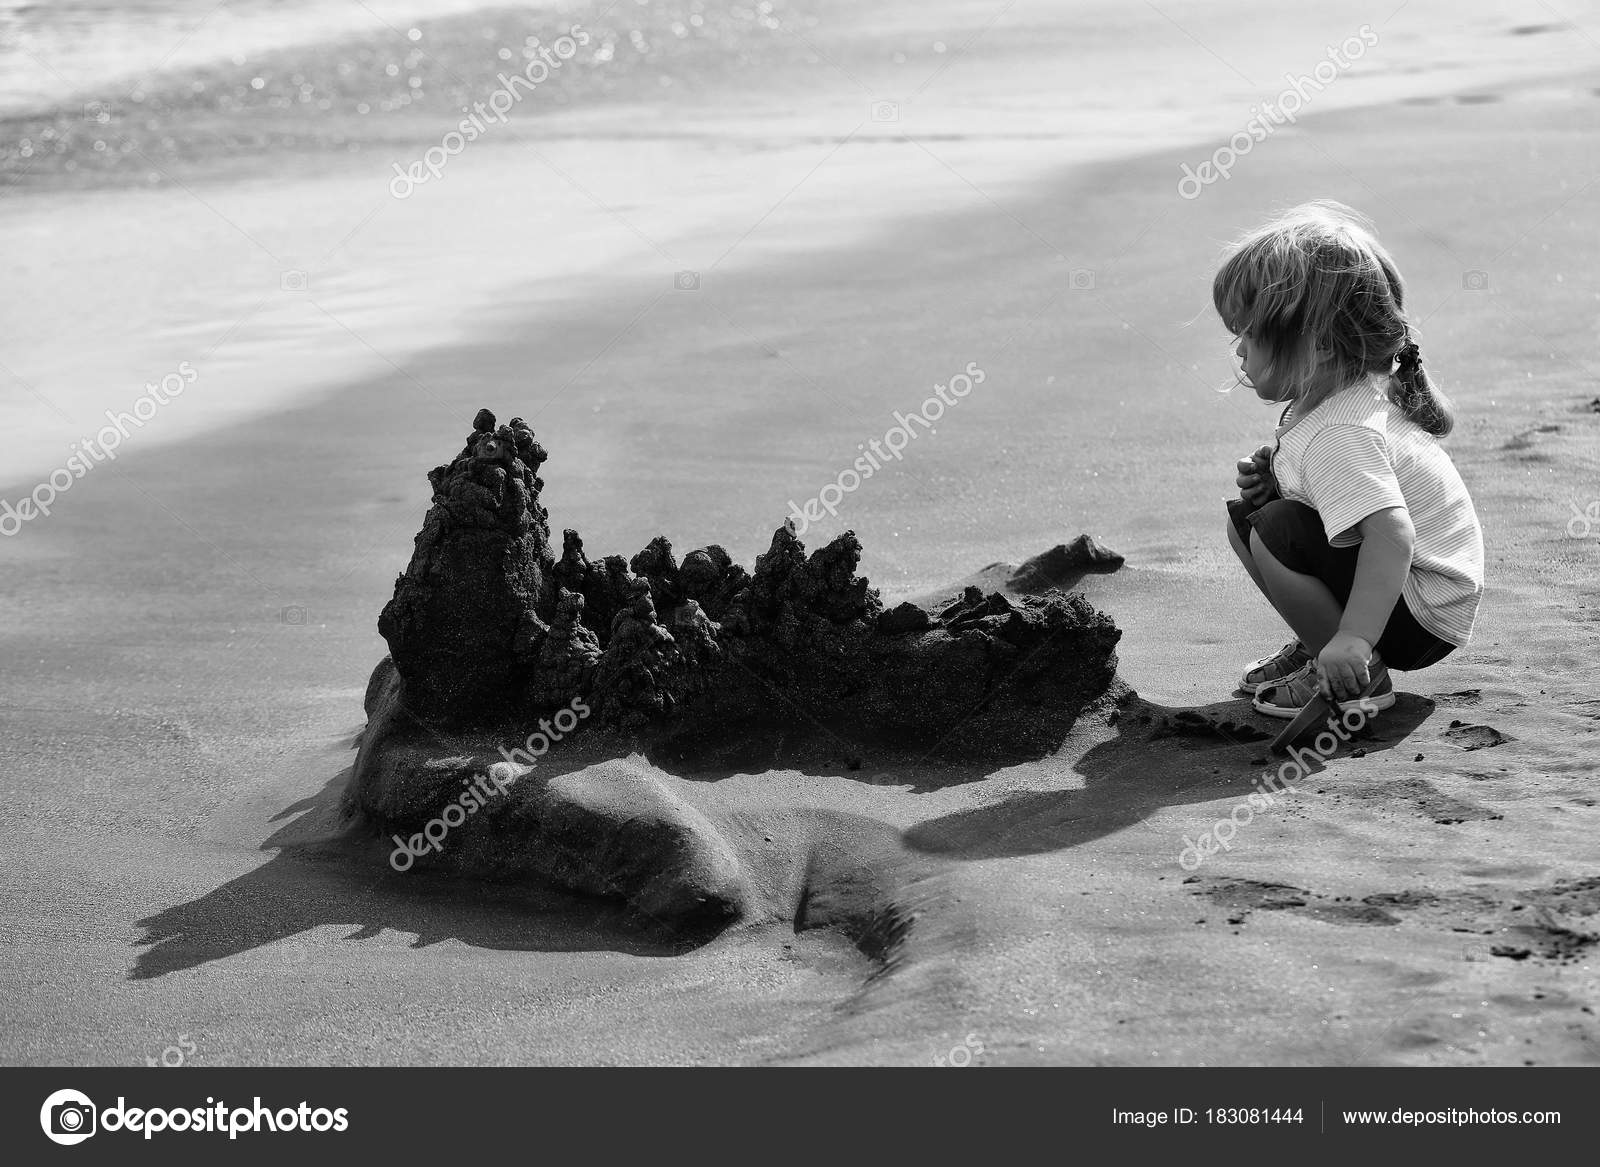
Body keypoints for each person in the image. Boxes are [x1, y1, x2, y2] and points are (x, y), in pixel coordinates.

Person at [1215, 201, 1484, 718]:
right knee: (1250, 519)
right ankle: (1321, 639)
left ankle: (1357, 672)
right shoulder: (1334, 400)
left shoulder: (1341, 431)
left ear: (1315, 345)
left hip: (1421, 611)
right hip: (1409, 593)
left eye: (1249, 334)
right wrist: (1280, 480)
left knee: (1276, 531)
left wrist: (1357, 639)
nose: (1240, 352)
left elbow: (1391, 534)